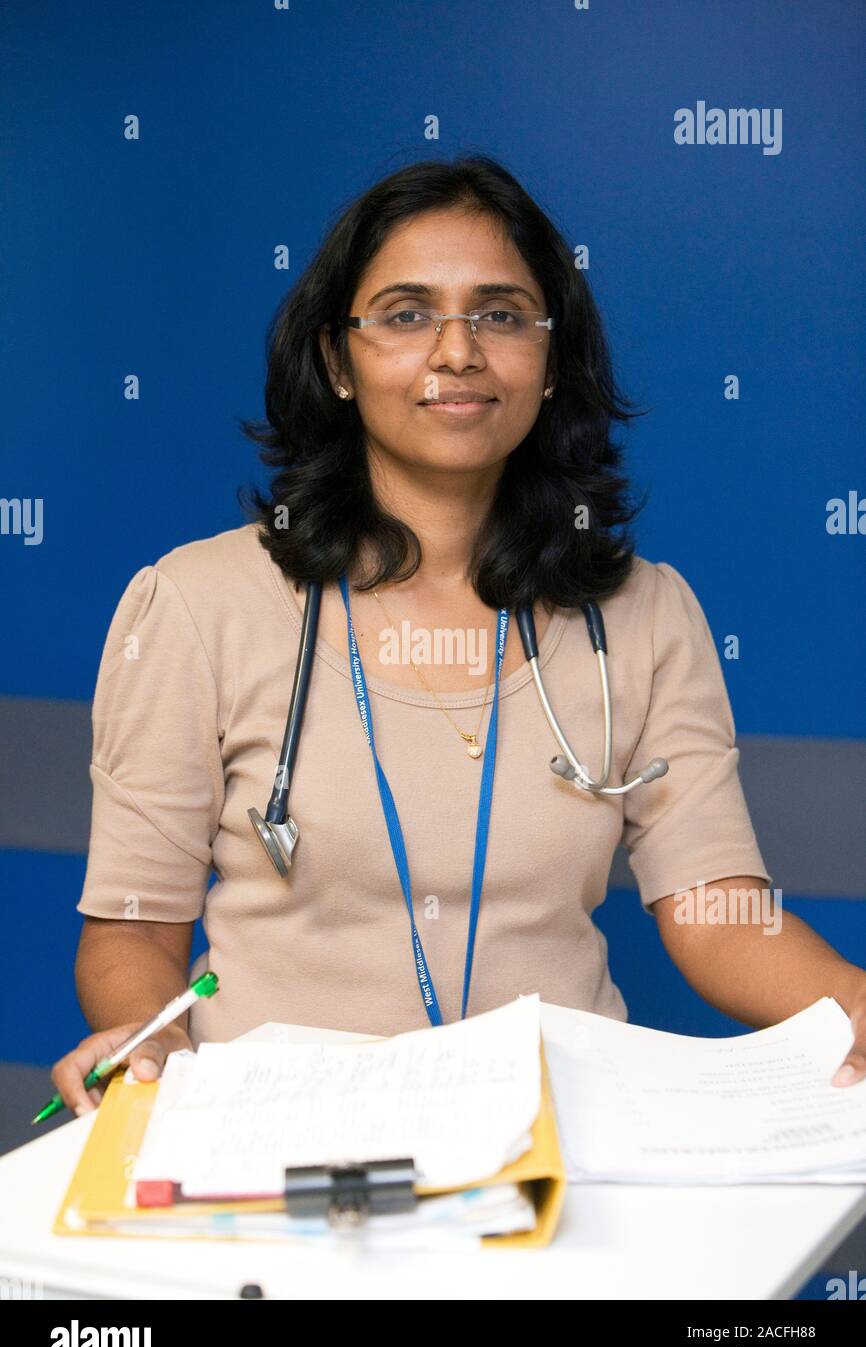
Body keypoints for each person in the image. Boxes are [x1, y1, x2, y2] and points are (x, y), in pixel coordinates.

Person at [52, 154, 866, 1116]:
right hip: (276, 1148)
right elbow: (136, 931)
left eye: (502, 314)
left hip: (565, 1147)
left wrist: (854, 1005)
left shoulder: (643, 614)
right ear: (336, 362)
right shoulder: (197, 604)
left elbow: (714, 912)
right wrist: (149, 1042)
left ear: (551, 362)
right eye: (405, 315)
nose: (458, 351)